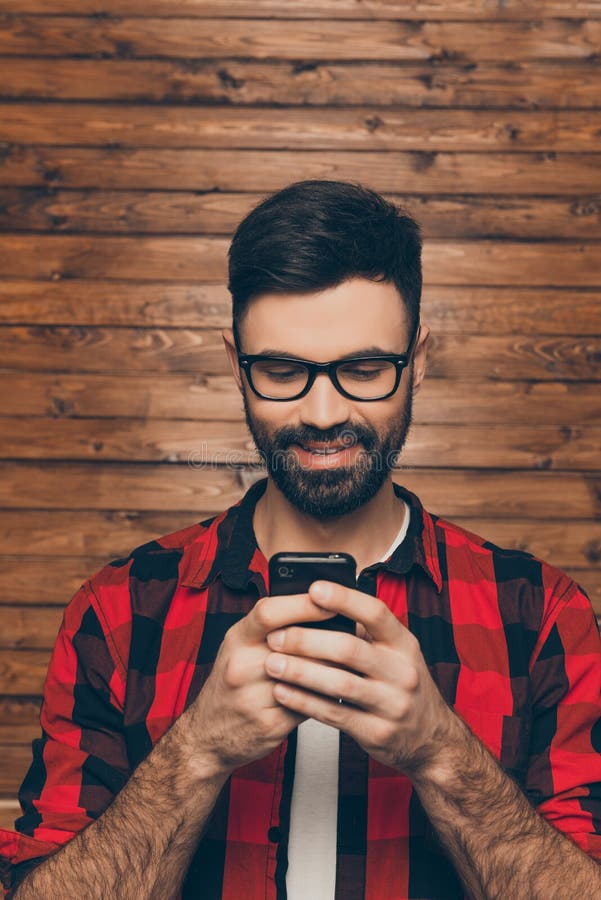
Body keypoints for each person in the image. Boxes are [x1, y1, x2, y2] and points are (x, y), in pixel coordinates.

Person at [1, 181, 600, 900]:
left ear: (420, 361)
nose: (322, 413)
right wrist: (196, 752)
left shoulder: (539, 615)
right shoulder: (119, 612)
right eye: (282, 371)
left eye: (363, 369)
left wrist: (441, 753)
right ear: (235, 365)